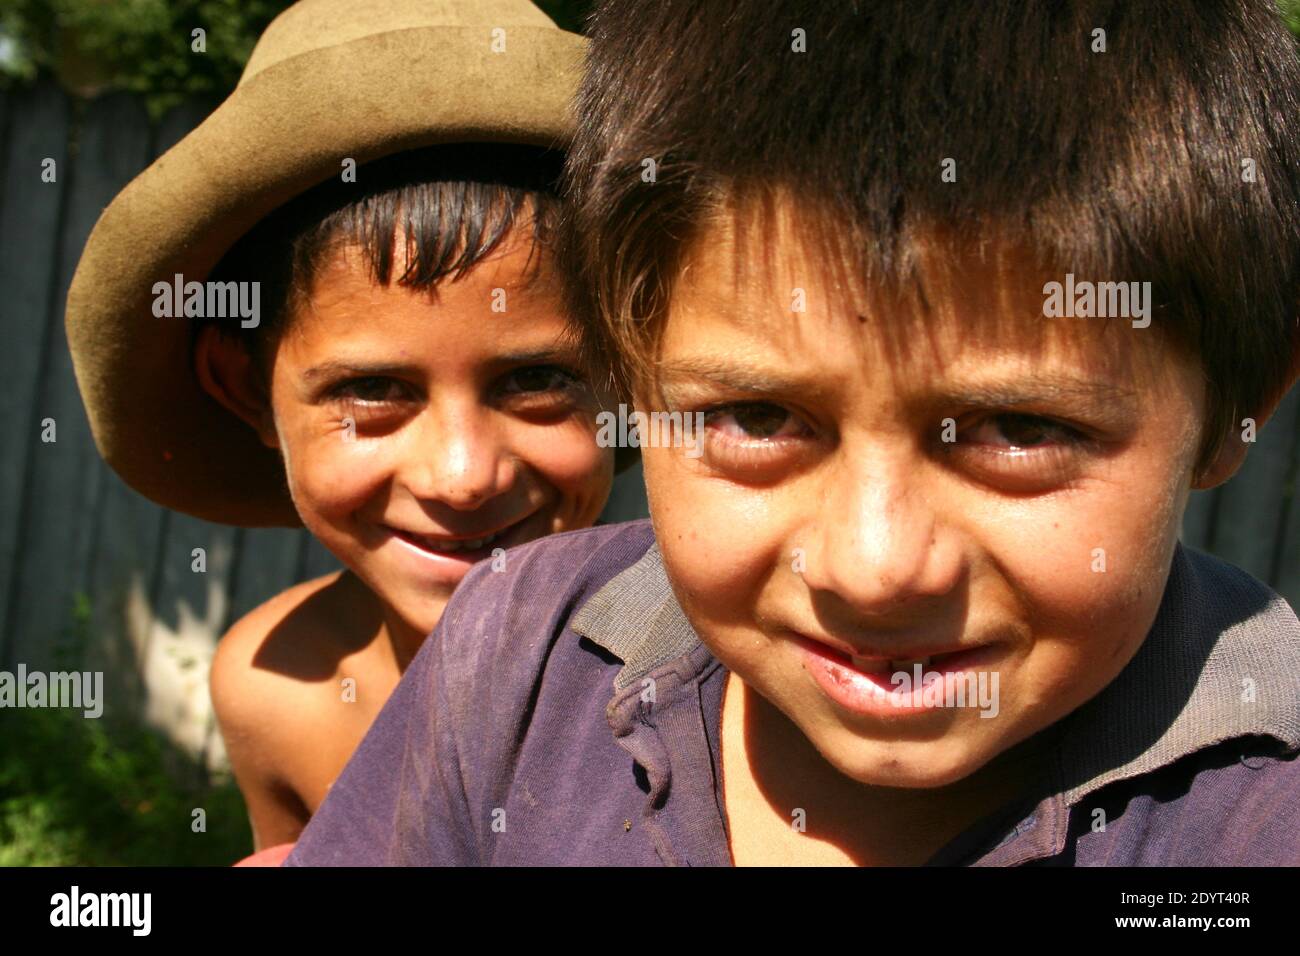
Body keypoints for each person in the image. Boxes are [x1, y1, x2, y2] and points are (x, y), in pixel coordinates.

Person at [285, 0, 1300, 865]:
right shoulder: (519, 651)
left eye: (1020, 428)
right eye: (757, 417)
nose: (872, 568)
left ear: (1238, 402)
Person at [64, 0, 616, 855]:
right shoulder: (275, 690)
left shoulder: (706, 683)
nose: (464, 475)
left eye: (539, 380)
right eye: (371, 391)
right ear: (243, 389)